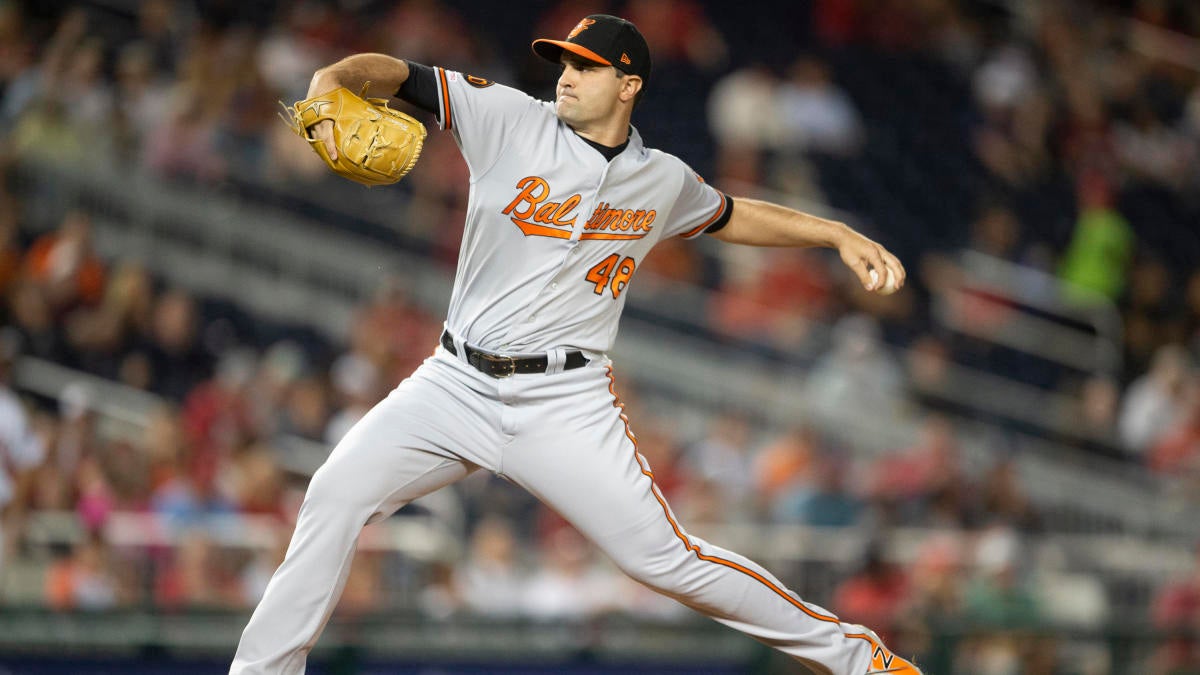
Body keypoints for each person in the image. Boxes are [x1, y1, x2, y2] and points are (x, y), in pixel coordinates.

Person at [231, 14, 917, 675]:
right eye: (563, 62)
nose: (565, 75)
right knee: (334, 492)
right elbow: (395, 73)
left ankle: (862, 660)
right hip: (453, 383)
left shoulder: (663, 179)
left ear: (629, 85)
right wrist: (332, 78)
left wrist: (833, 233)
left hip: (564, 400)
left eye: (586, 67)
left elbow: (735, 215)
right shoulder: (506, 116)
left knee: (664, 559)